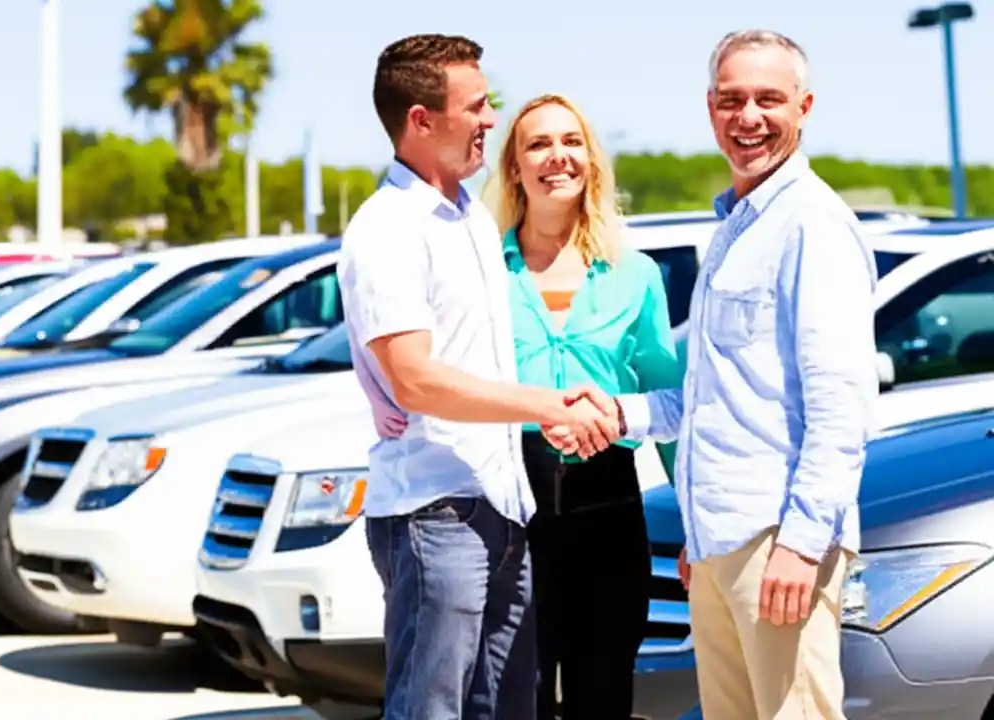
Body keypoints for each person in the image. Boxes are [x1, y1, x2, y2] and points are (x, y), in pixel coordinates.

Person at [596, 29, 877, 719]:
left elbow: (842, 409)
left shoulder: (813, 225)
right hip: (722, 545)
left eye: (768, 99)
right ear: (710, 108)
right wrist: (617, 413)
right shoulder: (738, 226)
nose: (747, 116)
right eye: (731, 100)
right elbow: (716, 396)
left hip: (778, 544)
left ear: (804, 106)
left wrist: (801, 546)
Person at [337, 34, 619, 719]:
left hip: (498, 507)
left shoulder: (467, 217)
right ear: (420, 121)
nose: (492, 119)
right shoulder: (388, 229)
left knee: (509, 709)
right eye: (477, 106)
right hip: (436, 516)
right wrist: (546, 405)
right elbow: (416, 379)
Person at [484, 93, 682, 718]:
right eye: (537, 144)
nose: (556, 157)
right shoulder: (483, 273)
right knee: (521, 695)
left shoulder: (636, 275)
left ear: (591, 162)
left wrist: (695, 523)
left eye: (571, 142)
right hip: (513, 510)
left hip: (609, 507)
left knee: (604, 694)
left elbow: (670, 405)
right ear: (514, 168)